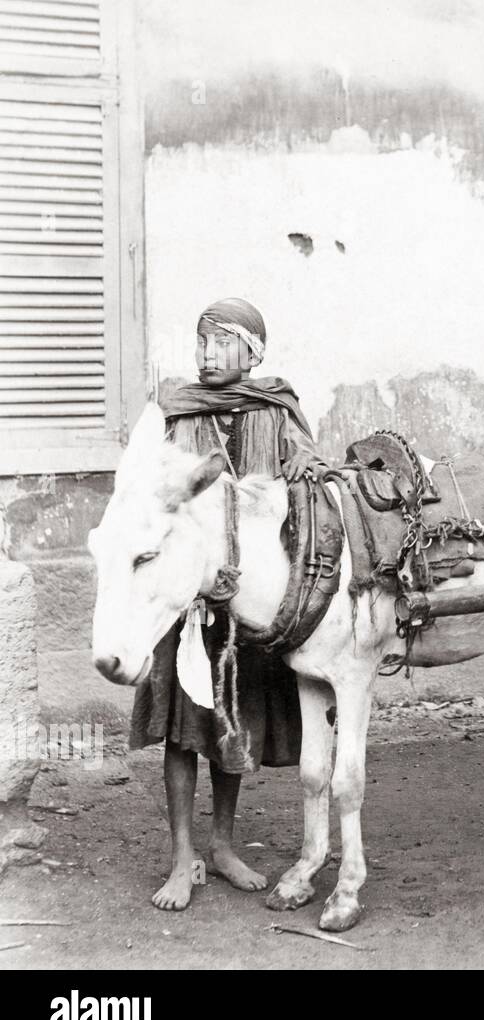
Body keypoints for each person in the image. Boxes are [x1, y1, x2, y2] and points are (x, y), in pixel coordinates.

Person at [129, 297, 325, 912]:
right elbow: (148, 499)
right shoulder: (174, 414)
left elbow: (310, 494)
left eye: (220, 342)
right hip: (188, 602)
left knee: (232, 725)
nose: (207, 354)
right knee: (185, 733)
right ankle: (181, 857)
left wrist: (304, 468)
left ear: (251, 352)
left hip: (253, 603)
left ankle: (223, 845)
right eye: (200, 341)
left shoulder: (278, 410)